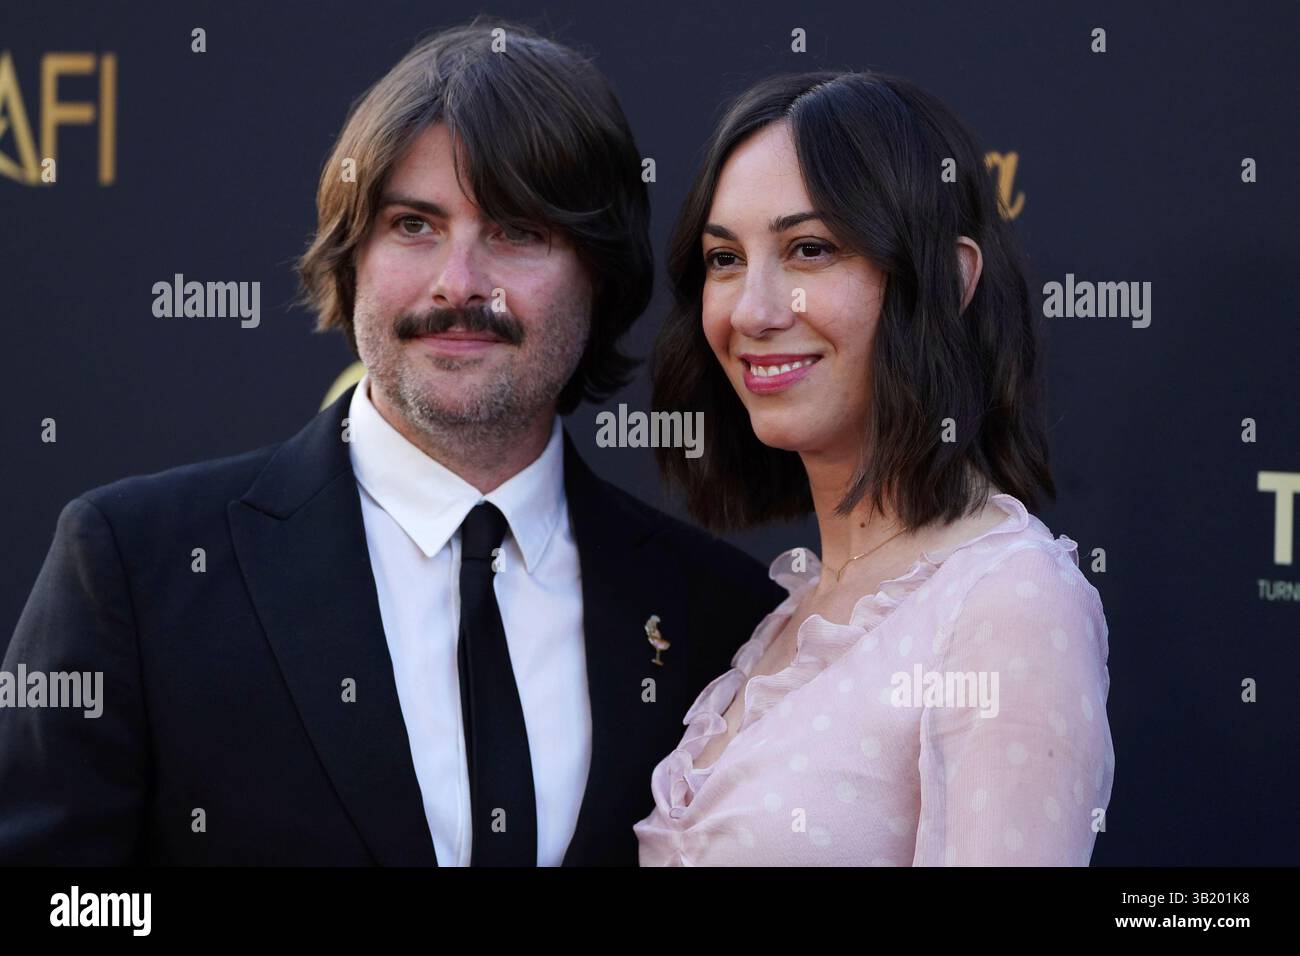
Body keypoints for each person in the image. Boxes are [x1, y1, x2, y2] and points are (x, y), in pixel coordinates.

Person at [0, 20, 781, 866]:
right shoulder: (137, 565)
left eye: (518, 231)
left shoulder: (718, 616)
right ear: (352, 256)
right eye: (414, 225)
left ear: (600, 274)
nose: (459, 284)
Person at [637, 71, 1115, 865]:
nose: (753, 310)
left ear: (949, 280)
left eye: (809, 249)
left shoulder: (1006, 605)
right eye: (724, 259)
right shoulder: (789, 617)